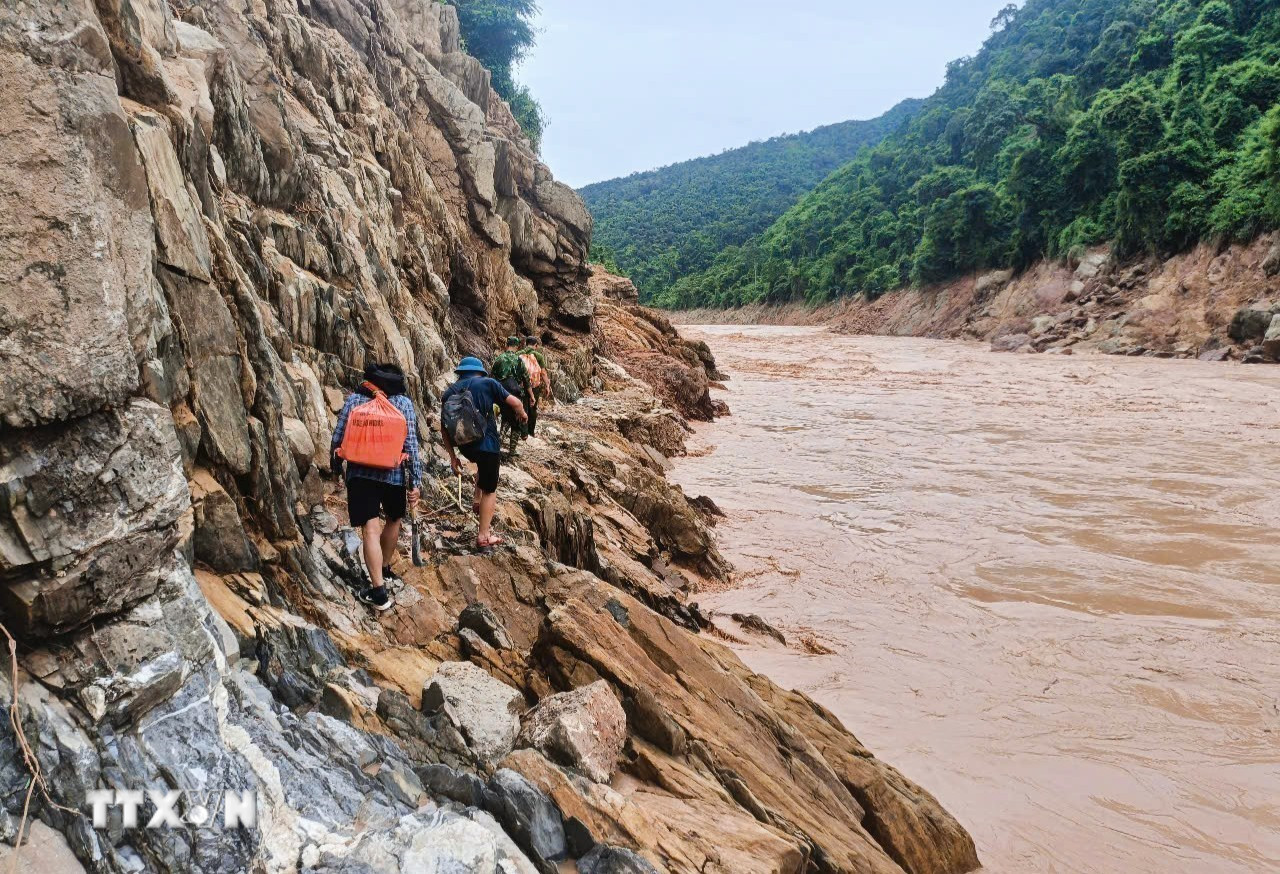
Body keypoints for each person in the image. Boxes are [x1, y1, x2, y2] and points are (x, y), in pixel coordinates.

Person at [330, 363, 421, 611]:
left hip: (361, 474)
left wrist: (336, 468)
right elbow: (411, 445)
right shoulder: (403, 404)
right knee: (393, 519)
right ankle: (384, 568)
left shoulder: (355, 400)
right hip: (393, 474)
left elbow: (339, 436)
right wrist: (416, 482)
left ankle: (379, 591)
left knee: (370, 528)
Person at [440, 357, 527, 549]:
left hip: (466, 446)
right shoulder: (488, 383)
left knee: (481, 468)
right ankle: (484, 536)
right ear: (480, 372)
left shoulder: (449, 392)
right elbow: (515, 402)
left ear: (460, 373)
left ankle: (476, 500)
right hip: (487, 445)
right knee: (491, 489)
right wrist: (523, 414)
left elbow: (444, 428)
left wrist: (453, 457)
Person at [490, 336, 531, 455]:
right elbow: (526, 380)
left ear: (506, 345)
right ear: (517, 346)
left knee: (505, 418)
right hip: (515, 394)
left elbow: (492, 378)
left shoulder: (499, 359)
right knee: (516, 422)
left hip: (500, 393)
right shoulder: (519, 361)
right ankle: (512, 451)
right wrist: (532, 396)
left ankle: (497, 447)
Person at [520, 335, 552, 436]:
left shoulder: (519, 354)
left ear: (525, 344)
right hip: (534, 386)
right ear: (536, 345)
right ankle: (531, 432)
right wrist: (547, 385)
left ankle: (523, 432)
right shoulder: (538, 356)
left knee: (522, 407)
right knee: (533, 408)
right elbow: (543, 373)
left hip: (521, 385)